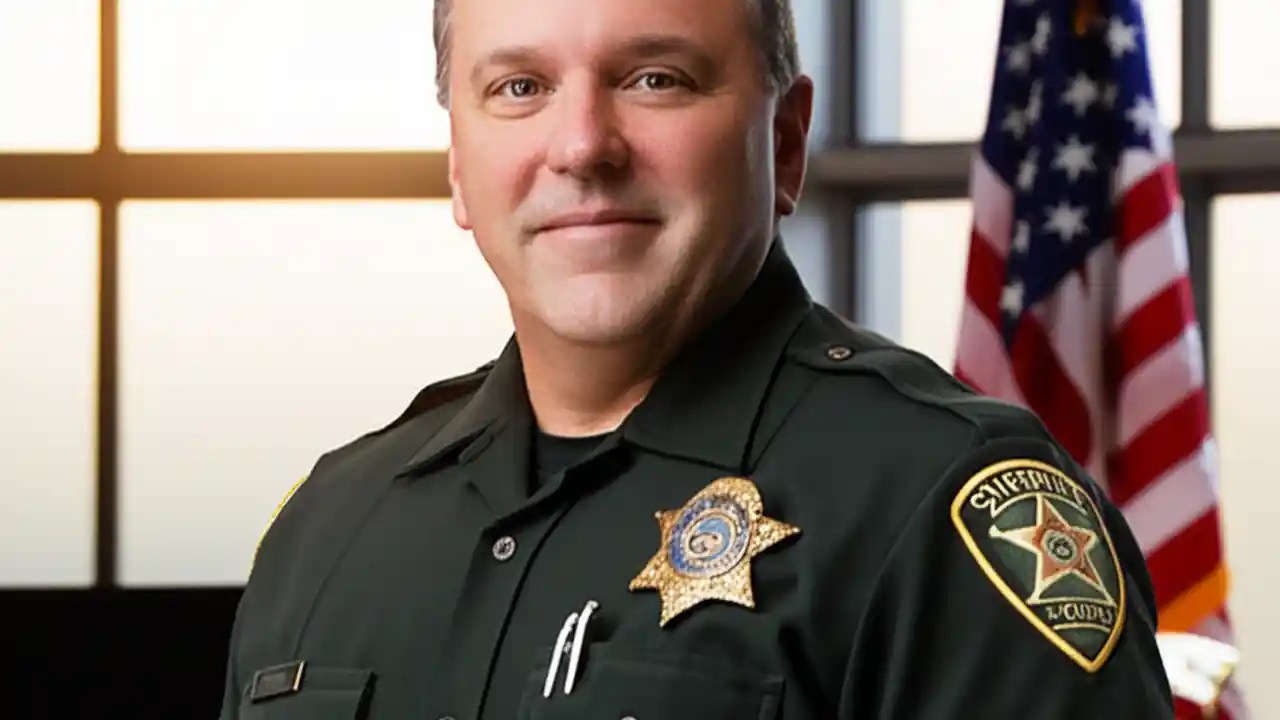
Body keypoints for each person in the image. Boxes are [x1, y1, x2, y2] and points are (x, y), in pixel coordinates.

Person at [218, 0, 1176, 717]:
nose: (583, 146)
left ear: (787, 142)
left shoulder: (943, 513)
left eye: (656, 78)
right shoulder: (328, 531)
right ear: (458, 168)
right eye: (520, 88)